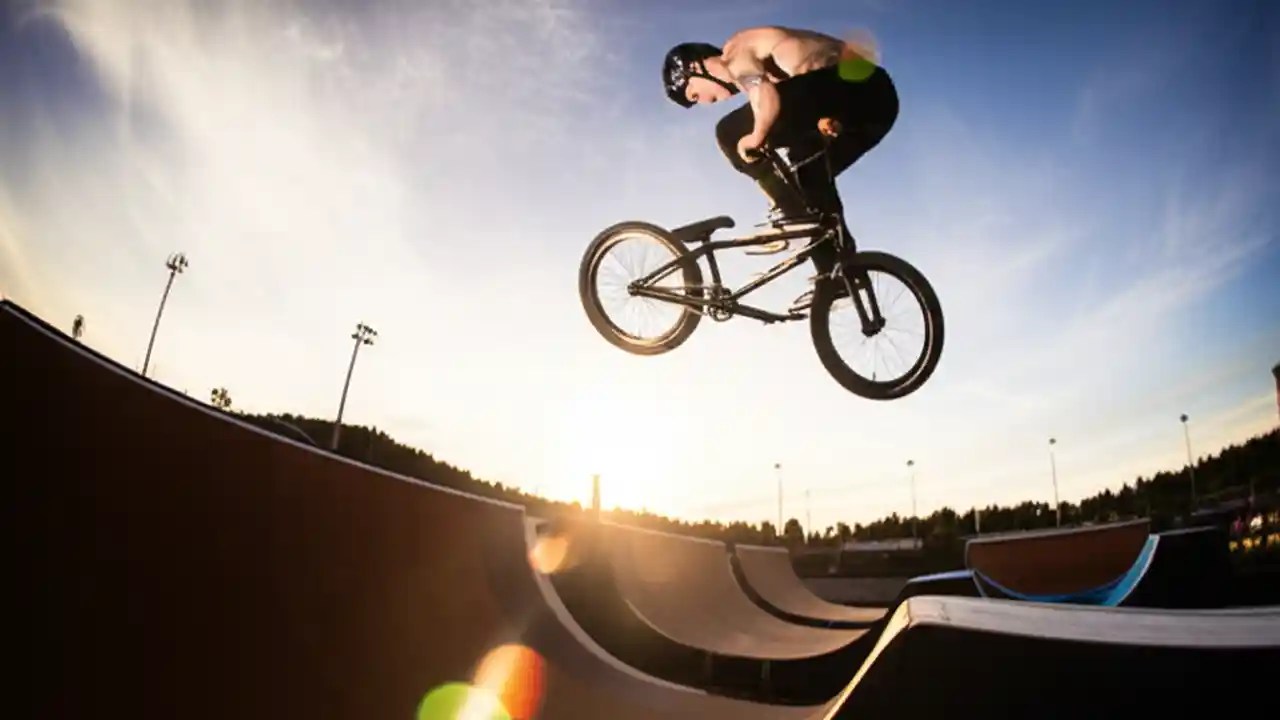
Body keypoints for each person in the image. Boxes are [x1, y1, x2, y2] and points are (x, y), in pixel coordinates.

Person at [662, 26, 898, 275]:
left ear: (696, 68)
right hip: (876, 104)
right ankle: (838, 273)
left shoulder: (736, 55)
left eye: (695, 94)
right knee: (807, 177)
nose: (706, 102)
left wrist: (755, 137)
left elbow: (764, 94)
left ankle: (790, 211)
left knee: (730, 133)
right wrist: (828, 119)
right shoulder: (768, 68)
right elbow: (804, 90)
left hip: (851, 84)